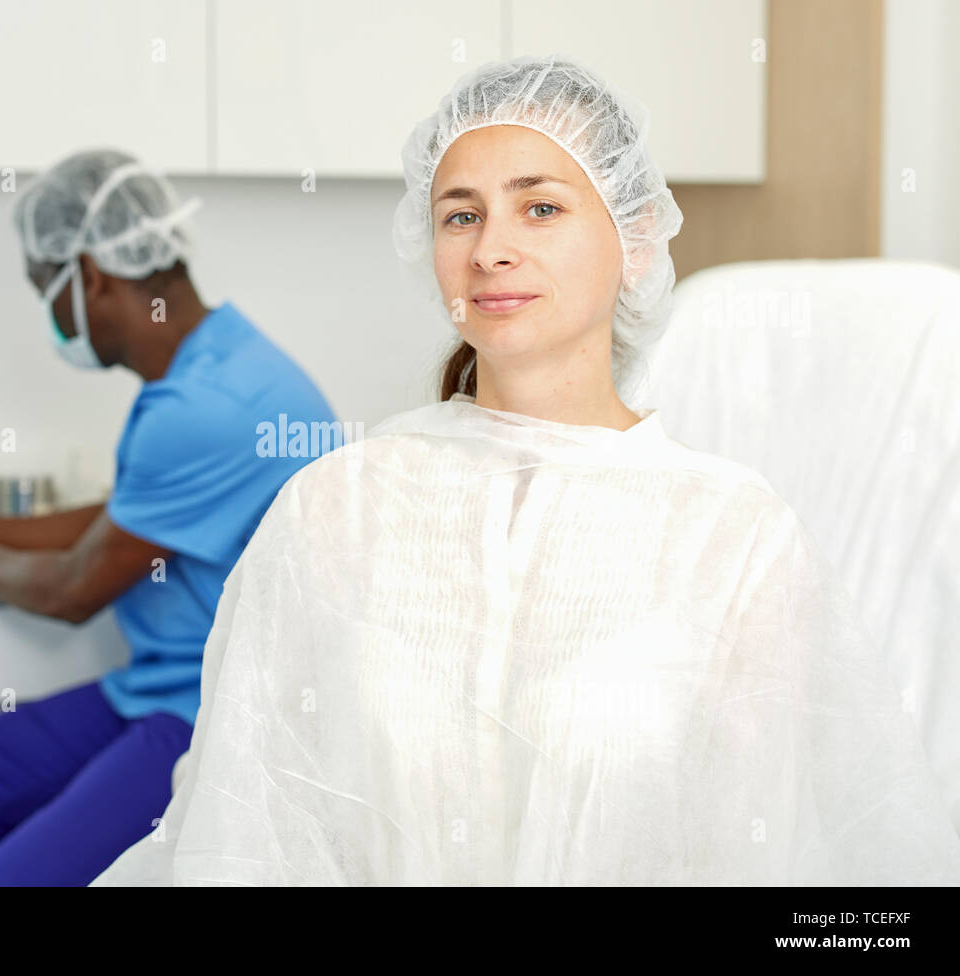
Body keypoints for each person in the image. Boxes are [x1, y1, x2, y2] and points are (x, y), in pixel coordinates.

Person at [90, 55, 960, 885]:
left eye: (540, 207)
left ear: (636, 238)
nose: (490, 249)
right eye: (460, 215)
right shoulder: (338, 506)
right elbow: (246, 828)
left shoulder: (733, 541)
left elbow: (774, 849)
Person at [0, 149, 339, 885]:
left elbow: (72, 590)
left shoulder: (204, 406)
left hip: (219, 714)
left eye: (43, 293)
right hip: (155, 686)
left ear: (88, 277)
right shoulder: (219, 360)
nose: (51, 324)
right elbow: (125, 519)